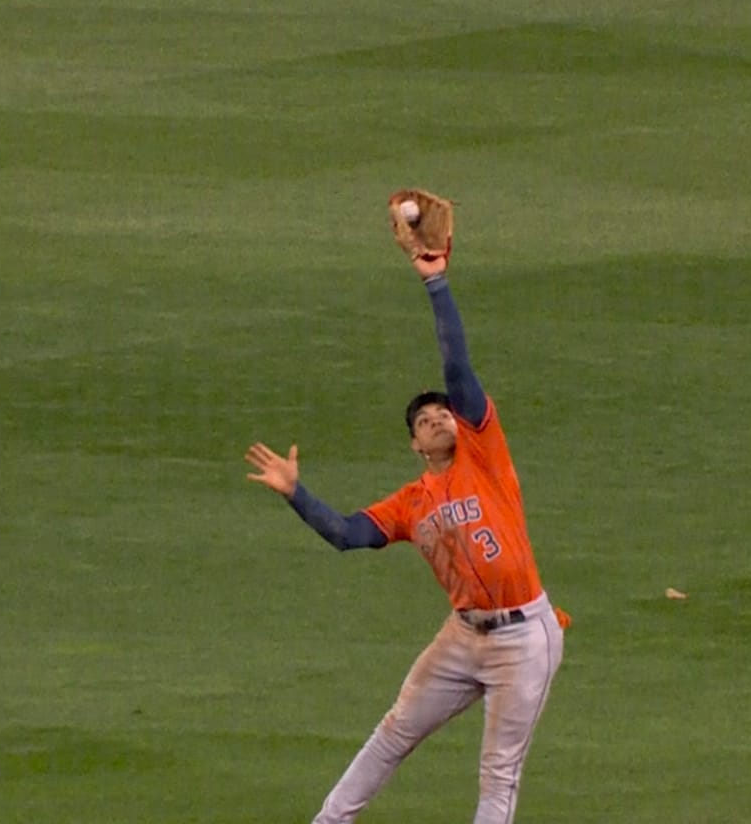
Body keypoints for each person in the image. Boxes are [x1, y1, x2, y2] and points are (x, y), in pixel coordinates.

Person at [244, 245, 569, 824]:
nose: (439, 418)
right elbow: (347, 534)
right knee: (394, 731)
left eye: (443, 414)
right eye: (425, 421)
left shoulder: (485, 457)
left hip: (526, 639)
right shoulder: (410, 503)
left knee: (498, 772)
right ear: (416, 446)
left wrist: (436, 283)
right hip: (463, 636)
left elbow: (458, 371)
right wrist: (297, 494)